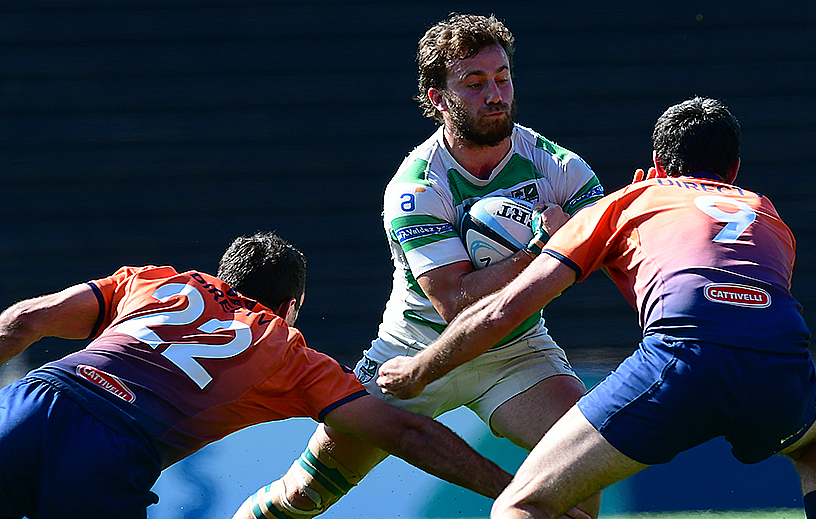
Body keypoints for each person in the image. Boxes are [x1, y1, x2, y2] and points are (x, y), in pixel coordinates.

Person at [377, 96, 816, 519]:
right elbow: (747, 313)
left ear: (656, 165)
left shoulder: (628, 202)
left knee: (521, 506)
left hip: (681, 360)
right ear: (734, 169)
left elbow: (503, 310)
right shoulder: (767, 214)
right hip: (782, 362)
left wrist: (419, 371)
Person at [236, 12, 605, 519]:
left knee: (584, 465)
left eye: (502, 78)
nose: (494, 94)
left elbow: (607, 247)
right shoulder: (415, 186)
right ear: (436, 98)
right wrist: (548, 248)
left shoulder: (559, 167)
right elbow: (456, 301)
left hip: (515, 352)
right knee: (303, 496)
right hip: (412, 352)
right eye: (474, 83)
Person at [0, 231, 513, 518]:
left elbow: (22, 321)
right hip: (111, 449)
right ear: (291, 307)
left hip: (33, 398)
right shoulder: (287, 353)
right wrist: (516, 491)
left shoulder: (152, 282)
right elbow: (408, 431)